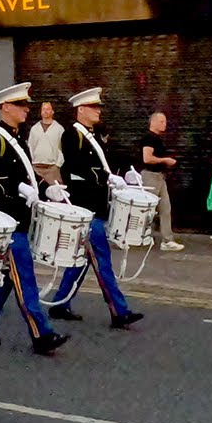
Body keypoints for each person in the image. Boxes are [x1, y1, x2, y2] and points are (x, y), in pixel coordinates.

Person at [0, 84, 70, 354]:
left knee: (9, 279)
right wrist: (17, 189)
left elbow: (28, 178)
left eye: (26, 105)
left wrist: (48, 189)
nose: (26, 109)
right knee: (25, 280)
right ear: (5, 107)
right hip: (7, 223)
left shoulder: (18, 139)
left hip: (21, 219)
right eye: (20, 105)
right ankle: (41, 334)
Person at [48, 88, 145, 328]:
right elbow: (75, 168)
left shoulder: (92, 135)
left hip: (96, 206)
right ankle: (119, 310)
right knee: (102, 261)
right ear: (81, 110)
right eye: (94, 107)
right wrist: (105, 178)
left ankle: (60, 303)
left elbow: (107, 163)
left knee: (81, 261)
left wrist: (125, 174)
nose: (98, 110)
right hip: (85, 208)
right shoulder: (72, 135)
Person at [140, 112, 183, 252]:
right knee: (148, 209)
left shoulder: (156, 139)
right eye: (162, 121)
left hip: (159, 176)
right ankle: (141, 236)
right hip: (150, 176)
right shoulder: (149, 138)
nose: (165, 124)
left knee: (165, 209)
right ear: (153, 122)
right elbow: (147, 158)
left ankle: (167, 240)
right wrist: (165, 160)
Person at [28, 101, 65, 185]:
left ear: (52, 111)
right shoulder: (34, 129)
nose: (45, 111)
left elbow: (63, 149)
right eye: (43, 109)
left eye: (48, 109)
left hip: (52, 168)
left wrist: (57, 165)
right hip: (36, 167)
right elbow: (30, 146)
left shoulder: (59, 129)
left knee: (54, 193)